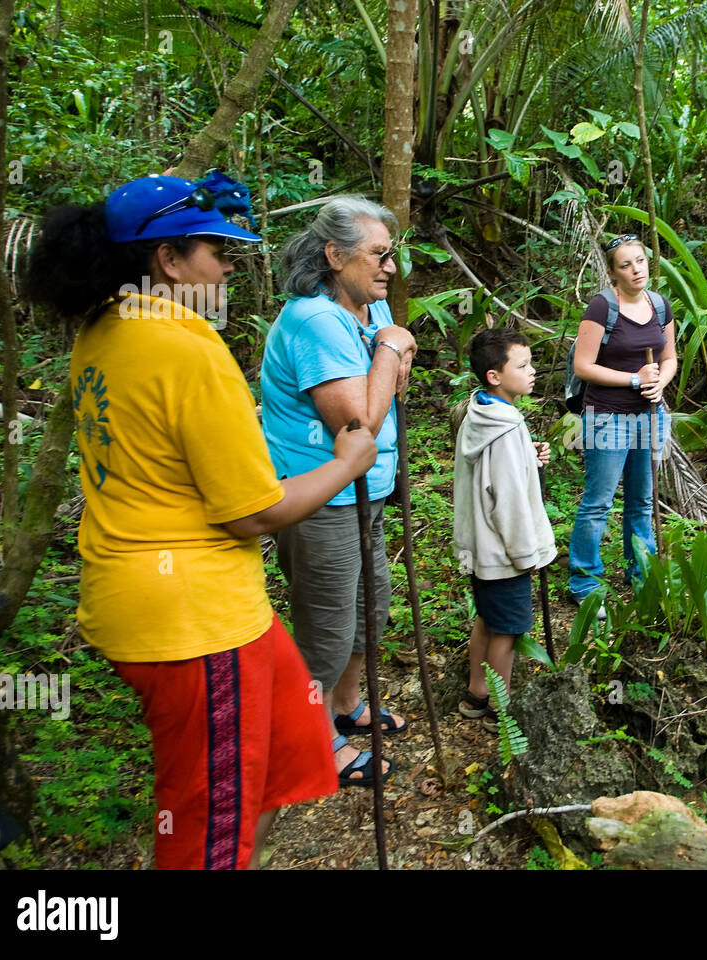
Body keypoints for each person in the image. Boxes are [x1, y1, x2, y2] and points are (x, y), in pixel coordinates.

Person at [27, 172, 379, 868]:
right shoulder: (186, 348)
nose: (227, 266)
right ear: (168, 259)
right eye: (216, 252)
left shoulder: (104, 329)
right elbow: (255, 512)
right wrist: (348, 462)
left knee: (289, 739)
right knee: (207, 825)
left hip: (165, 598)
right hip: (192, 620)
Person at [260, 197, 417, 787]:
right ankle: (312, 737)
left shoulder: (366, 311)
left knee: (367, 609)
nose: (390, 269)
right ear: (335, 255)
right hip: (321, 500)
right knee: (325, 625)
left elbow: (397, 362)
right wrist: (391, 348)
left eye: (391, 256)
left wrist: (393, 345)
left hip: (364, 494)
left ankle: (347, 706)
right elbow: (359, 424)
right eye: (379, 255)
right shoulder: (316, 320)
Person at [567, 235, 677, 615]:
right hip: (608, 417)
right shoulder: (602, 307)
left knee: (642, 501)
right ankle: (585, 582)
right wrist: (634, 379)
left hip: (651, 415)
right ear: (613, 273)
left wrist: (659, 383)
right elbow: (584, 366)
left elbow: (670, 357)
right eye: (626, 265)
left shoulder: (660, 305)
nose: (637, 270)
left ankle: (641, 573)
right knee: (598, 503)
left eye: (641, 261)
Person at [452, 328, 555, 729]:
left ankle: (477, 692)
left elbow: (492, 474)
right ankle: (500, 707)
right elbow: (508, 501)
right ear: (495, 376)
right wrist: (525, 554)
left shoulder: (480, 414)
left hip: (482, 548)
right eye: (523, 365)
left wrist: (527, 457)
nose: (533, 371)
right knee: (508, 630)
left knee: (488, 618)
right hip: (504, 551)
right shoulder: (507, 426)